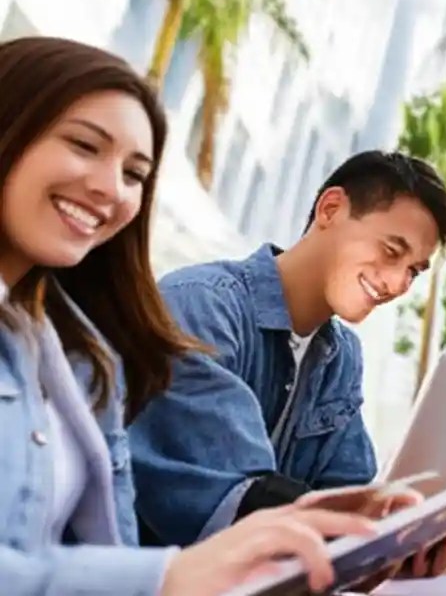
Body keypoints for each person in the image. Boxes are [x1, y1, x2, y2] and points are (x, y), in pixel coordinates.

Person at [0, 35, 374, 596]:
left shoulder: (83, 355)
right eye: (83, 144)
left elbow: (111, 542)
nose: (109, 188)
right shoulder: (207, 300)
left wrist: (378, 528)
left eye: (134, 174)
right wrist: (165, 576)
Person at [127, 149, 446, 562]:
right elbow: (228, 495)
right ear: (331, 208)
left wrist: (399, 538)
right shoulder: (202, 305)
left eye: (413, 270)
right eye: (392, 251)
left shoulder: (342, 358)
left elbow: (347, 489)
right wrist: (364, 534)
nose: (397, 283)